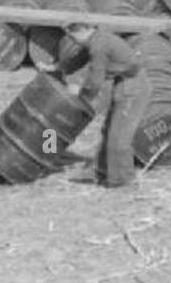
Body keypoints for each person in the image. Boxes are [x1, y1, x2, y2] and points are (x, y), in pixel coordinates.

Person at [59, 22, 153, 188]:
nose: (73, 42)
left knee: (119, 138)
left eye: (73, 38)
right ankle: (101, 172)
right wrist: (56, 68)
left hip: (133, 88)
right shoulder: (96, 38)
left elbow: (95, 82)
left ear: (83, 31)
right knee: (108, 130)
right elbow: (79, 59)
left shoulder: (99, 46)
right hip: (123, 84)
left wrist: (80, 94)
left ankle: (122, 182)